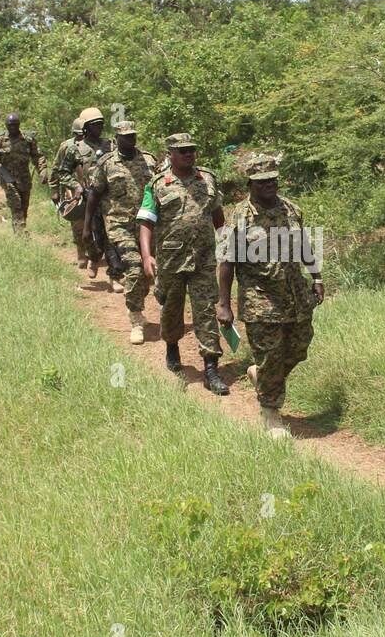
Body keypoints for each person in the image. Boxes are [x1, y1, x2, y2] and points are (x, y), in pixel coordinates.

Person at [217, 155, 323, 437]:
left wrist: (317, 277)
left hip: (295, 294)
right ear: (250, 184)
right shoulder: (240, 217)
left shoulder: (291, 209)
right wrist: (224, 304)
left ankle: (262, 376)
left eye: (273, 180)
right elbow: (227, 262)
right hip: (259, 297)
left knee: (300, 347)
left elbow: (304, 245)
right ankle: (271, 414)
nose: (269, 185)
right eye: (262, 182)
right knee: (271, 355)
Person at [137, 132, 228, 395]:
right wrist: (146, 256)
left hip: (204, 259)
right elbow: (145, 222)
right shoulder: (157, 184)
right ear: (171, 154)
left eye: (192, 150)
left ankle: (211, 369)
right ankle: (172, 347)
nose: (189, 154)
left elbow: (218, 216)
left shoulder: (207, 180)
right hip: (171, 260)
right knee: (171, 308)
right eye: (183, 150)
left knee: (205, 311)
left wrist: (227, 246)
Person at [84, 120, 157, 343]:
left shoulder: (149, 160)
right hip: (118, 225)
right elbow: (94, 195)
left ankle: (136, 303)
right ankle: (135, 319)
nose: (130, 139)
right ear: (116, 138)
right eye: (125, 136)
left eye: (133, 135)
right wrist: (87, 227)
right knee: (134, 268)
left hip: (146, 226)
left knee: (147, 272)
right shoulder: (107, 163)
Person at [60, 107, 113, 278]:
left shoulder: (110, 145)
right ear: (86, 127)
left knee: (111, 235)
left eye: (101, 124)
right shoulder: (75, 149)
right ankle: (93, 258)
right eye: (95, 125)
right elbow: (62, 172)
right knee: (87, 232)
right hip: (87, 198)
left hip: (108, 198)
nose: (99, 128)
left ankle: (114, 276)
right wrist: (76, 185)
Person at [0, 113, 48, 233]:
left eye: (15, 125)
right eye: (10, 126)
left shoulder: (27, 139)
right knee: (16, 205)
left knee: (24, 207)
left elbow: (37, 156)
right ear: (6, 126)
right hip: (7, 178)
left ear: (19, 125)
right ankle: (20, 234)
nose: (12, 128)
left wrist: (42, 170)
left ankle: (20, 228)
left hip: (24, 178)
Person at [53, 117, 88, 267]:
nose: (82, 138)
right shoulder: (66, 147)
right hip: (73, 189)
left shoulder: (92, 146)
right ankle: (81, 251)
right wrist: (54, 189)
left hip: (92, 188)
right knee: (78, 222)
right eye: (79, 135)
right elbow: (57, 169)